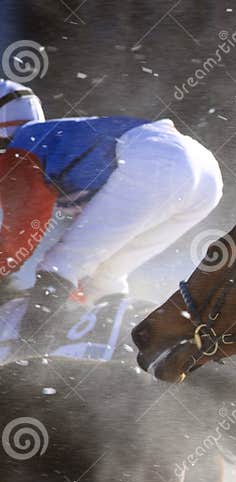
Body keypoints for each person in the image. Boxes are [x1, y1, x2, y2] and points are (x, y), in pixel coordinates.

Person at [0, 79, 223, 345]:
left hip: (160, 159)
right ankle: (148, 345)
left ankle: (31, 351)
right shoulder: (46, 138)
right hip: (205, 177)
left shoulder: (22, 149)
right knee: (101, 278)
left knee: (63, 263)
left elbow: (19, 235)